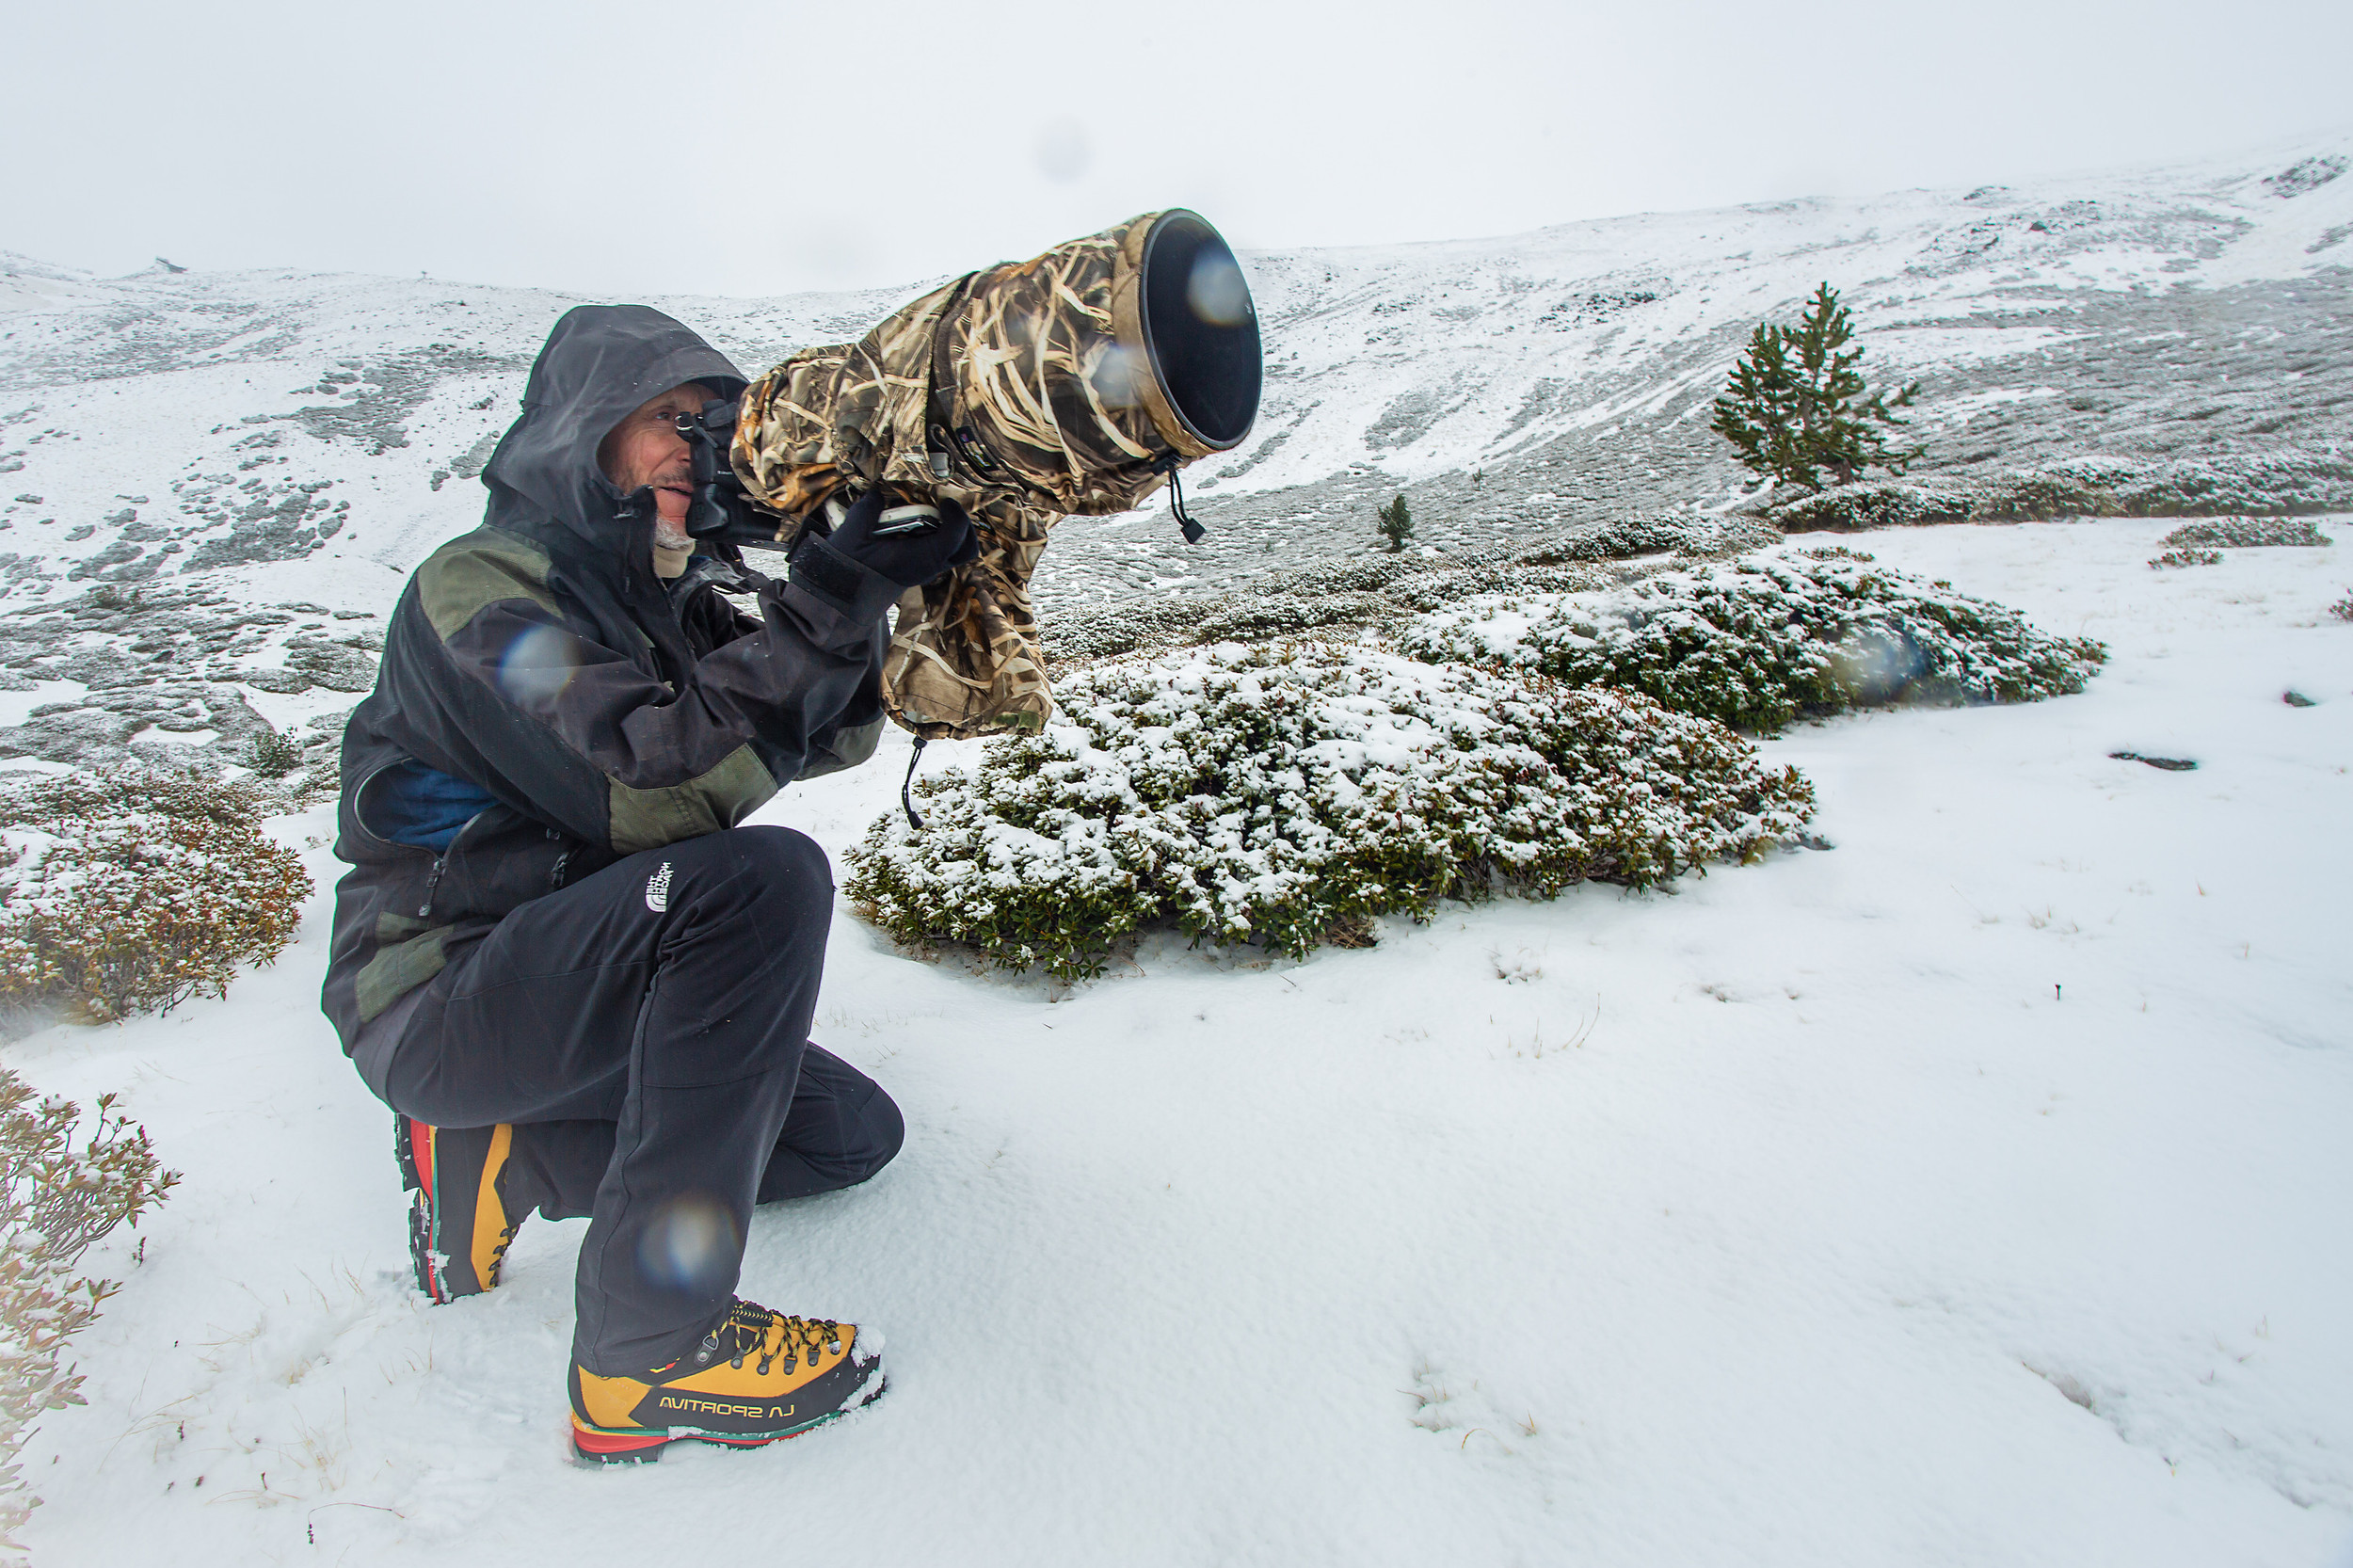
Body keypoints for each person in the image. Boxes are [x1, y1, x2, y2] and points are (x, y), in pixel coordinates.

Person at [319, 304, 974, 1465]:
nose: (697, 445)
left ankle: (498, 1152)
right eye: (667, 418)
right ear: (583, 430)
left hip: (575, 987)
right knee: (757, 883)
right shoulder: (479, 588)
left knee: (847, 1137)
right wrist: (817, 606)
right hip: (442, 995)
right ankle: (643, 1356)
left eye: (712, 424)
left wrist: (861, 595)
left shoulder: (671, 600)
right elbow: (651, 793)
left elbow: (821, 740)